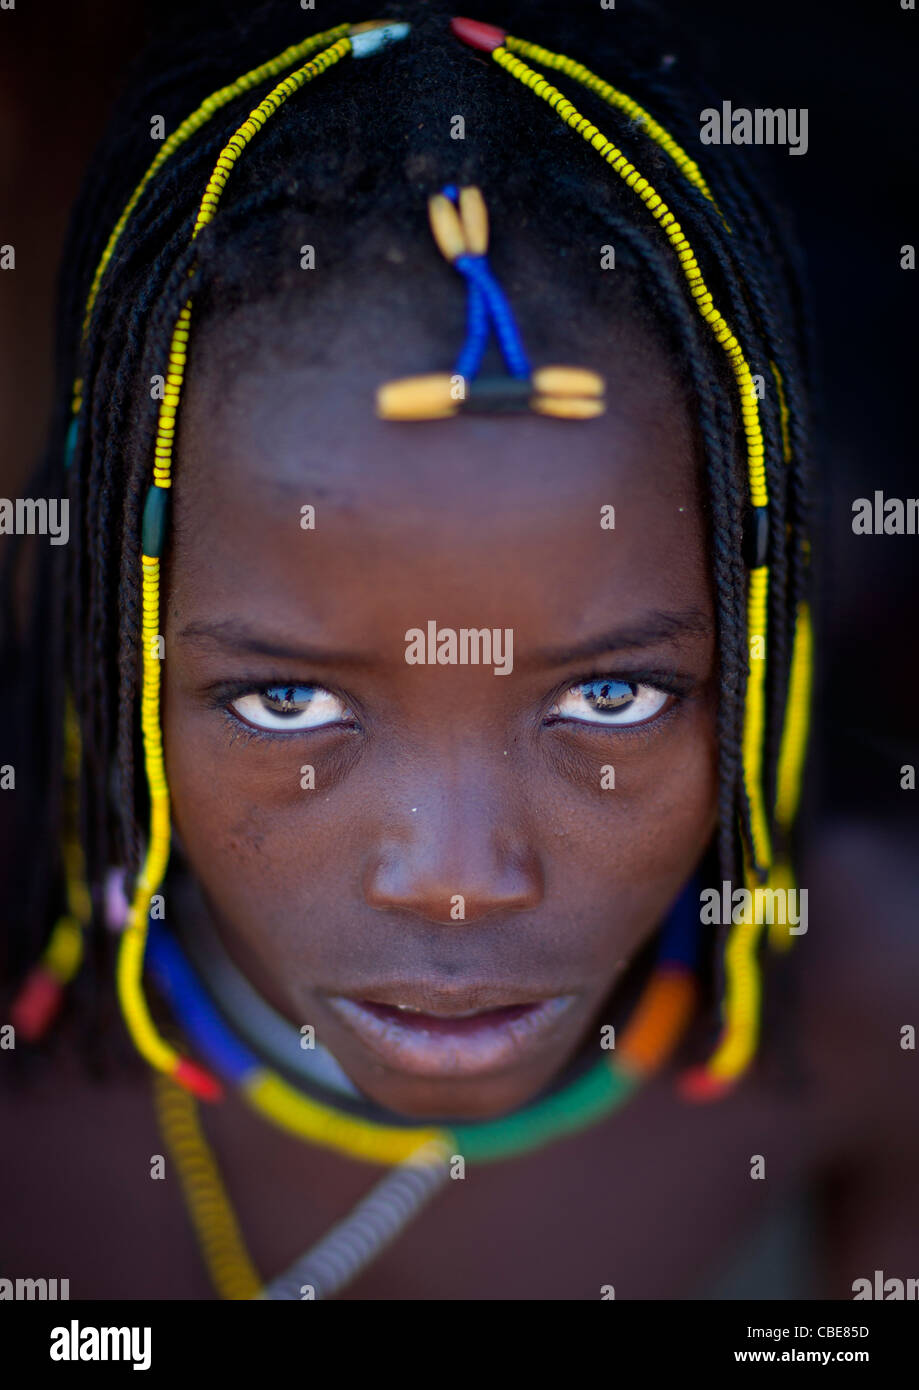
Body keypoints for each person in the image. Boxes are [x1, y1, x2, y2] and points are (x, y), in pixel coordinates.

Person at [1, 0, 916, 1301]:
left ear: (756, 658)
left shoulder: (863, 1003)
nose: (457, 880)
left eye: (614, 693)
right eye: (281, 697)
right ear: (109, 636)